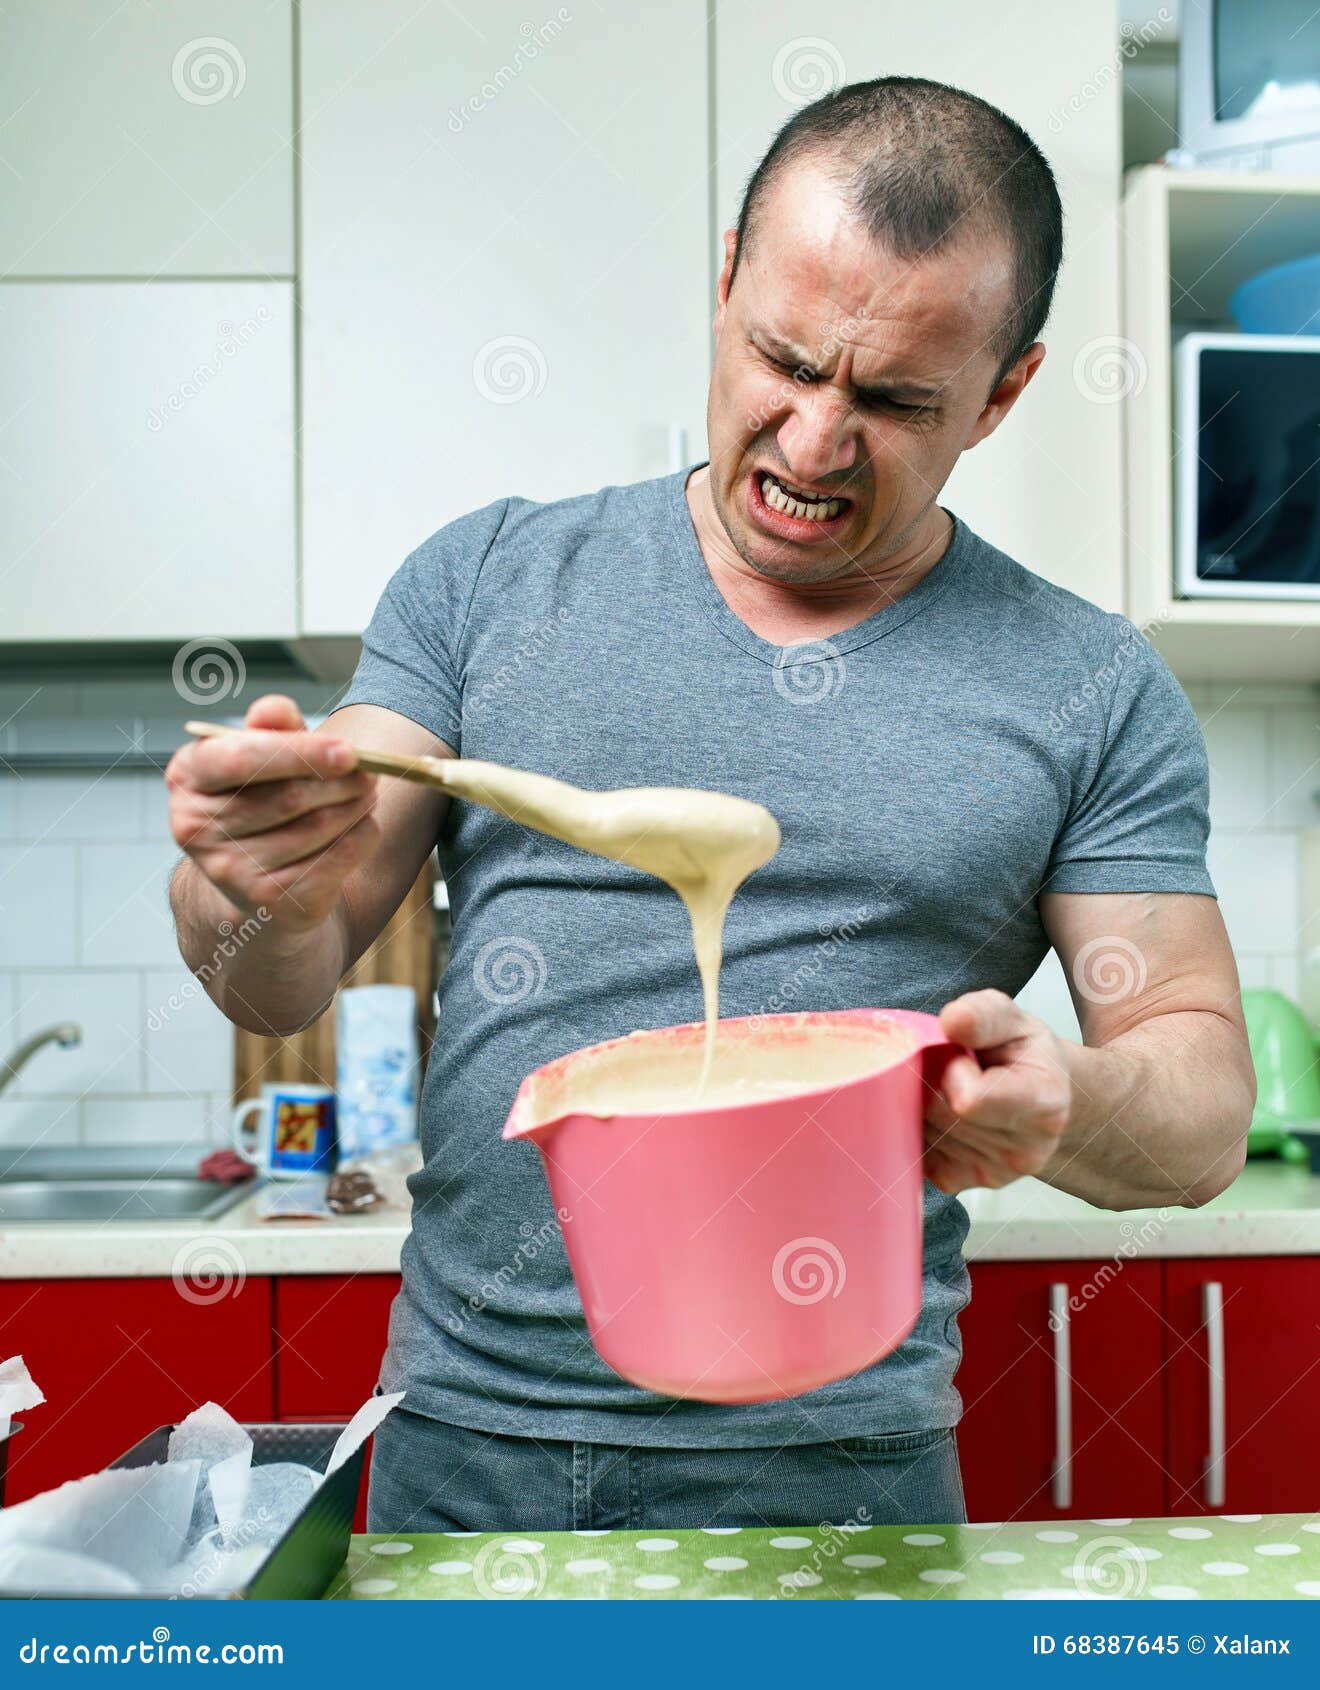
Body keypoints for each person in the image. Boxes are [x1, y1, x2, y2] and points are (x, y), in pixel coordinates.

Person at [166, 77, 1253, 1532]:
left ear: (1003, 393)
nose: (812, 444)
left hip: (844, 1474)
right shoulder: (488, 583)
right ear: (728, 276)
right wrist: (248, 885)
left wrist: (1069, 1099)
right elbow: (276, 970)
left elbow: (1201, 1112)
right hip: (469, 1448)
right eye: (784, 362)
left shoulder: (1088, 685)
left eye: (892, 400)